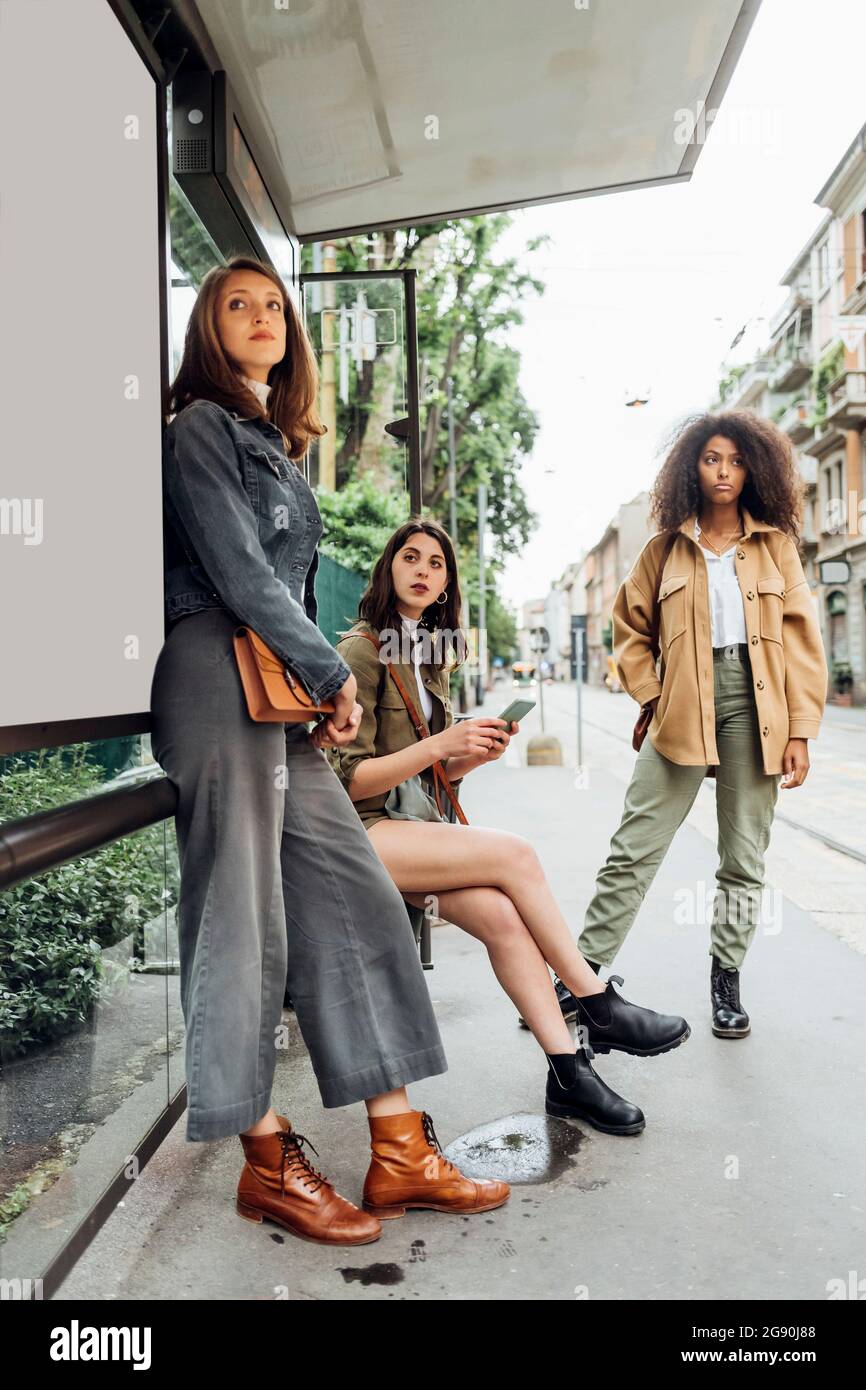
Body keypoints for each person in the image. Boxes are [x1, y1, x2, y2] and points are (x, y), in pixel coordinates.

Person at [149, 254, 511, 1247]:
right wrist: (331, 672)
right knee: (241, 915)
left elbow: (284, 590)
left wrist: (313, 689)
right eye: (238, 304)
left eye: (274, 305)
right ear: (208, 327)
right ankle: (266, 1159)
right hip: (214, 676)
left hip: (276, 689)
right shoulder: (198, 428)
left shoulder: (276, 444)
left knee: (354, 894)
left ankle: (398, 1149)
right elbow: (236, 569)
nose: (261, 316)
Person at [327, 518, 691, 1137]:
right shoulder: (362, 651)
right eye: (410, 557)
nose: (422, 571)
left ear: (447, 584)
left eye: (436, 564)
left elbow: (431, 776)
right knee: (515, 854)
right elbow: (349, 780)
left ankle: (568, 1075)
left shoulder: (428, 653)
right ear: (388, 568)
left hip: (407, 827)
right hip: (361, 832)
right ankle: (596, 1002)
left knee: (501, 916)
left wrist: (471, 755)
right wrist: (441, 743)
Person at [546, 410, 828, 1039]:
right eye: (711, 459)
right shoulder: (664, 550)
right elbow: (628, 631)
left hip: (758, 706)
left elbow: (803, 644)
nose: (724, 471)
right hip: (680, 705)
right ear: (691, 468)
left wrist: (800, 730)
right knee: (634, 847)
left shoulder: (777, 548)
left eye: (736, 460)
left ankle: (726, 982)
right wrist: (651, 695)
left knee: (743, 857)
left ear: (754, 469)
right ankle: (579, 980)